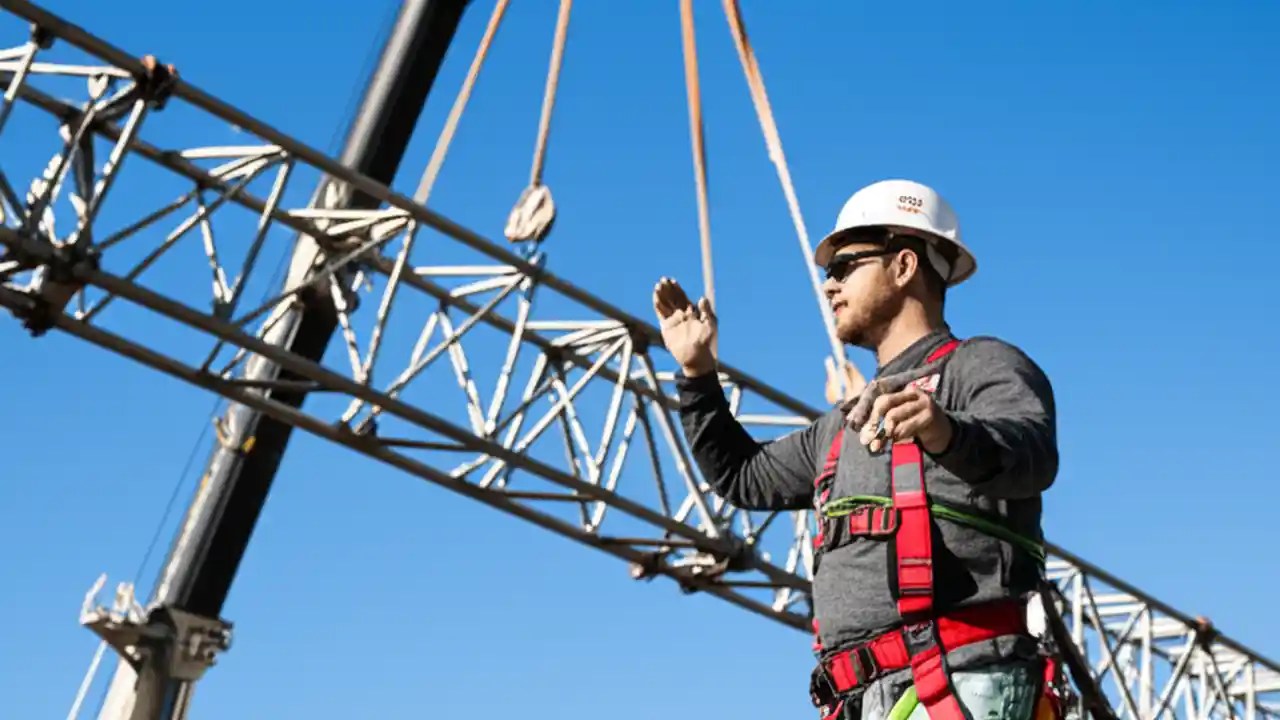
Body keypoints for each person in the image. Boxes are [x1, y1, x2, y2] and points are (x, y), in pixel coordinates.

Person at [652, 179, 1060, 720]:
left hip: (959, 679)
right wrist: (698, 376)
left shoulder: (978, 365)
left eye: (844, 267)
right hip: (864, 697)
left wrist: (947, 433)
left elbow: (1032, 454)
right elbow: (742, 476)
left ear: (904, 265)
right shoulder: (840, 430)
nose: (829, 286)